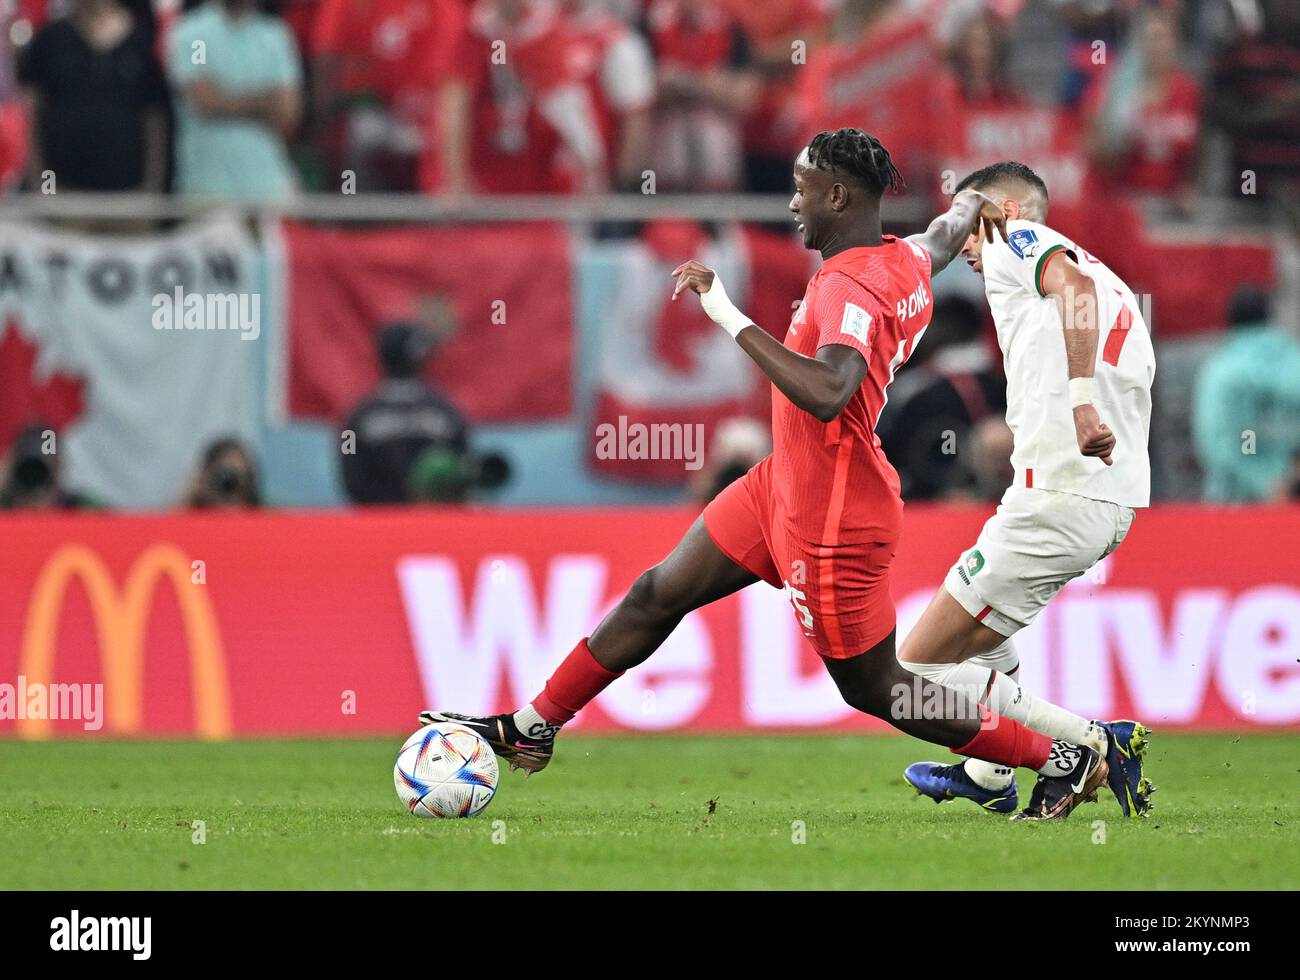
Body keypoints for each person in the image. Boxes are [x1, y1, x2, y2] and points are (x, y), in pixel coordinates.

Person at [422, 129, 1112, 822]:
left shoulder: (852, 283)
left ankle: (1060, 756)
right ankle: (532, 727)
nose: (792, 204)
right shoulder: (906, 259)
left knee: (880, 689)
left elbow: (830, 389)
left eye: (803, 189)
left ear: (837, 196)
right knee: (657, 592)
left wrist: (725, 313)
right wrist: (973, 199)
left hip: (831, 513)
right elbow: (945, 230)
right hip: (783, 482)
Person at [898, 162, 1157, 819]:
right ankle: (988, 774)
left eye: (965, 221)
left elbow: (1070, 290)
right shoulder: (1112, 282)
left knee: (912, 676)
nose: (959, 243)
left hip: (1059, 498)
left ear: (1004, 208)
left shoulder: (1019, 241)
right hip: (1096, 500)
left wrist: (1078, 402)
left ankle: (1085, 745)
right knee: (982, 642)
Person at [19, 0, 169, 193]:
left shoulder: (141, 40)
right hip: (62, 193)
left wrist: (152, 187)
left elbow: (155, 119)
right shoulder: (49, 40)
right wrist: (42, 185)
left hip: (128, 196)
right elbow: (32, 114)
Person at [167, 0, 303, 200]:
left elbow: (289, 110)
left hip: (269, 184)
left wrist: (225, 97)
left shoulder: (275, 36)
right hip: (208, 188)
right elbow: (203, 101)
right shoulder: (195, 37)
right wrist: (266, 101)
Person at [340, 321, 471, 505]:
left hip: (378, 525)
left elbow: (352, 478)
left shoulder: (357, 417)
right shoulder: (446, 411)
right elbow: (465, 469)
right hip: (435, 525)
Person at [1191, 287, 1300, 502]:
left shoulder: (1219, 369)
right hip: (1291, 499)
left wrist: (1263, 485)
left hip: (1234, 504)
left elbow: (1212, 442)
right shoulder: (1294, 360)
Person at [183, 437, 262, 509]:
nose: (230, 488)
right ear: (203, 479)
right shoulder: (181, 521)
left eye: (236, 480)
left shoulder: (265, 522)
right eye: (223, 478)